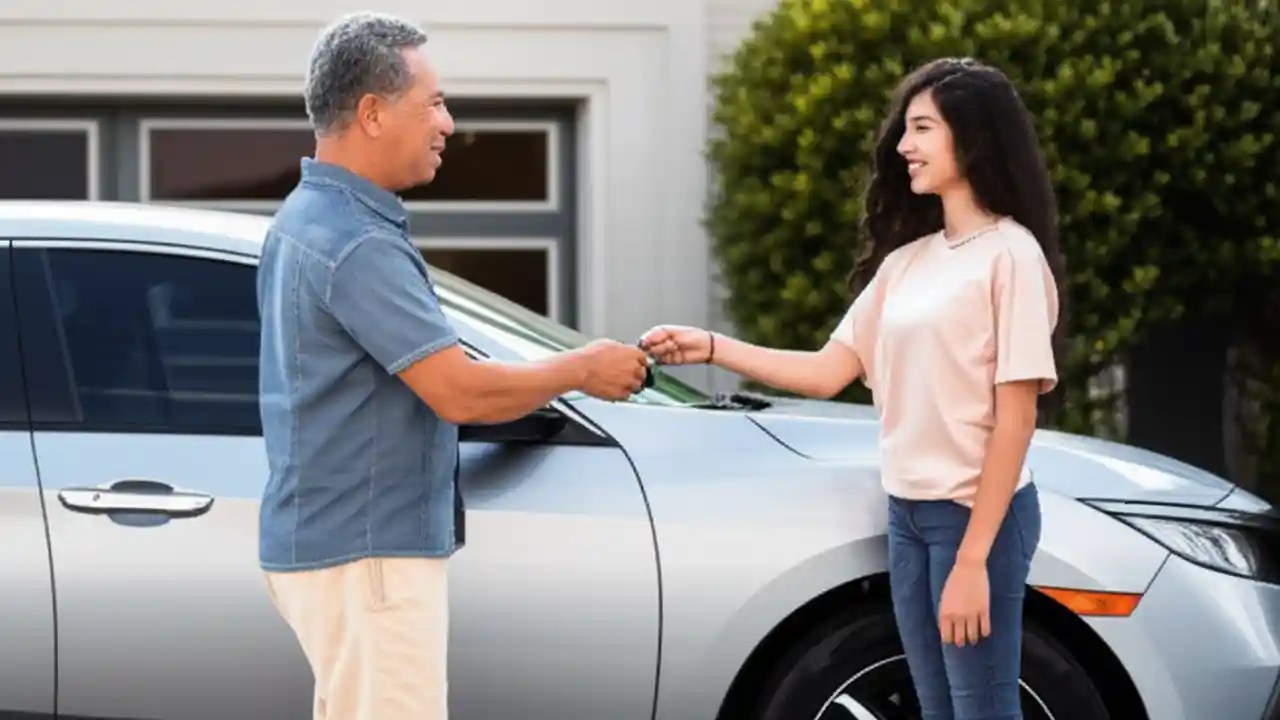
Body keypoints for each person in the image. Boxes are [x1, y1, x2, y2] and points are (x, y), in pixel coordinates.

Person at [642, 57, 1063, 720]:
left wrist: (973, 560)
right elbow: (827, 370)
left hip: (976, 517)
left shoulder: (1011, 255)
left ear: (973, 137)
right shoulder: (906, 265)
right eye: (905, 129)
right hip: (908, 515)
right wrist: (713, 347)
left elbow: (1016, 418)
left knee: (982, 707)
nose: (903, 146)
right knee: (937, 708)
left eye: (922, 128)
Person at [256, 12, 649, 720]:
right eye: (433, 102)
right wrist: (583, 369)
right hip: (370, 560)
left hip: (340, 549)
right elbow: (460, 391)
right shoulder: (354, 243)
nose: (448, 123)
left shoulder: (307, 220)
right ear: (373, 113)